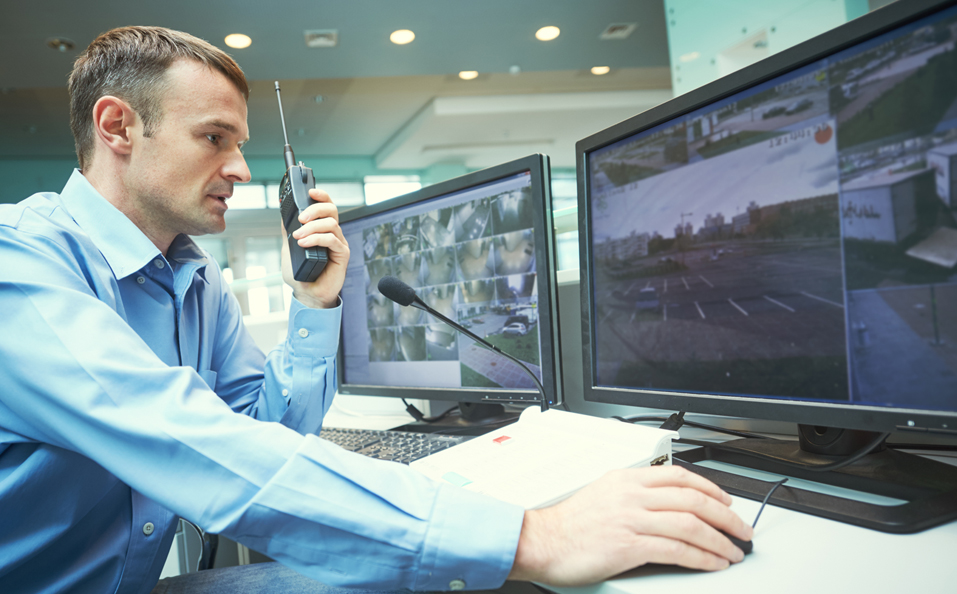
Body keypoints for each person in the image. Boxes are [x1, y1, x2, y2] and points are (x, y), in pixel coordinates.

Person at [0, 26, 752, 594]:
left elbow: (264, 435)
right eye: (213, 138)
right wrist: (533, 533)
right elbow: (198, 448)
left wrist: (313, 306)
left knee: (418, 575)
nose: (237, 168)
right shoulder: (20, 269)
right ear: (117, 127)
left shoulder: (189, 280)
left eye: (241, 142)